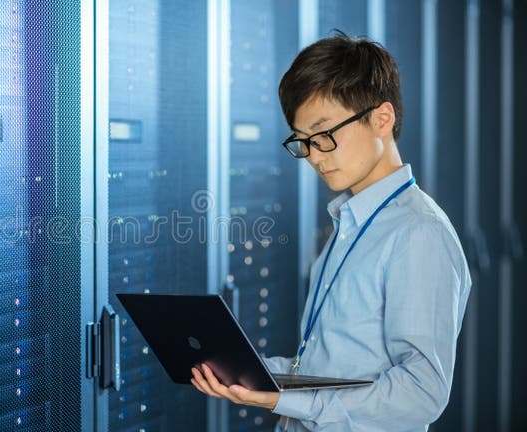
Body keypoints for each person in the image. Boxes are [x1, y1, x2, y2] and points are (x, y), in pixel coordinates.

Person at [190, 32, 471, 431]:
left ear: (381, 118)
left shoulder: (418, 233)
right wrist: (251, 374)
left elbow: (421, 391)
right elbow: (330, 367)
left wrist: (295, 402)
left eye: (324, 136)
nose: (315, 157)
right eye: (303, 143)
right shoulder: (349, 224)